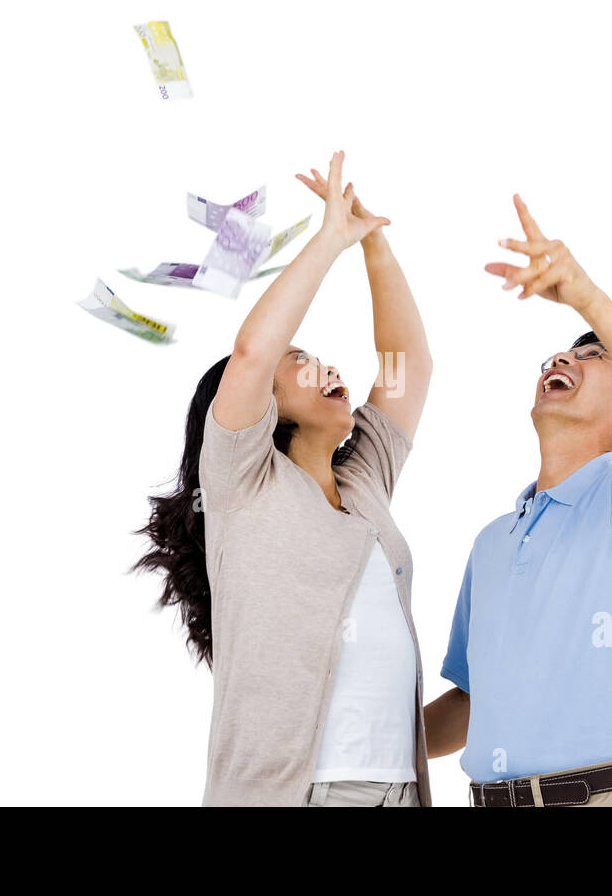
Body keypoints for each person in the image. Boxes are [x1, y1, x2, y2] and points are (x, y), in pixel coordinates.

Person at [134, 151, 434, 807]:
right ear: (263, 409)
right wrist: (327, 243)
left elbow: (407, 364)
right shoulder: (242, 484)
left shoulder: (364, 482)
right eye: (298, 361)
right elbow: (252, 352)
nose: (323, 363)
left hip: (400, 791)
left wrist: (372, 242)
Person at [424, 194, 612, 807]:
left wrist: (585, 295)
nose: (561, 358)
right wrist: (364, 739)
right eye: (560, 354)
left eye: (591, 356)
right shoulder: (493, 541)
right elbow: (475, 704)